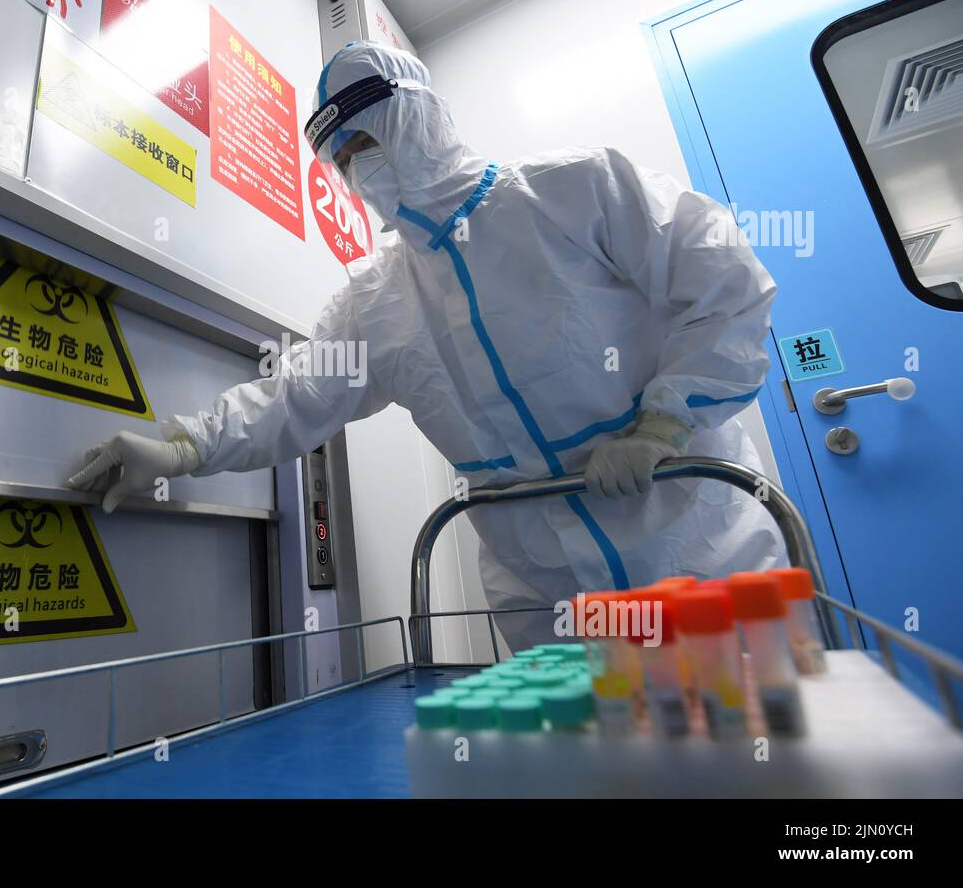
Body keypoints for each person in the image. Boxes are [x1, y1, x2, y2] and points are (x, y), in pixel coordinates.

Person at [69, 41, 783, 648]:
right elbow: (295, 396)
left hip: (694, 540)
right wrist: (182, 449)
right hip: (547, 591)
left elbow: (728, 284)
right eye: (342, 158)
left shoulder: (573, 190)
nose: (360, 168)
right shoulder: (375, 299)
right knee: (596, 765)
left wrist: (666, 422)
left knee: (759, 742)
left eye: (367, 139)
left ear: (418, 114)